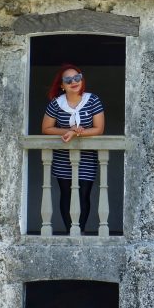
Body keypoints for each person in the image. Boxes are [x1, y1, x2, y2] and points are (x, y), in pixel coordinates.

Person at [41, 64, 106, 233]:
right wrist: (69, 131)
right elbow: (46, 128)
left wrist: (78, 134)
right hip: (63, 157)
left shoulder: (92, 100)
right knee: (66, 194)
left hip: (86, 157)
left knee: (84, 194)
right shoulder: (56, 103)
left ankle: (80, 231)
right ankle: (70, 231)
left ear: (82, 79)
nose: (74, 81)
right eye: (68, 80)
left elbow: (99, 129)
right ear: (62, 85)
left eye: (77, 77)